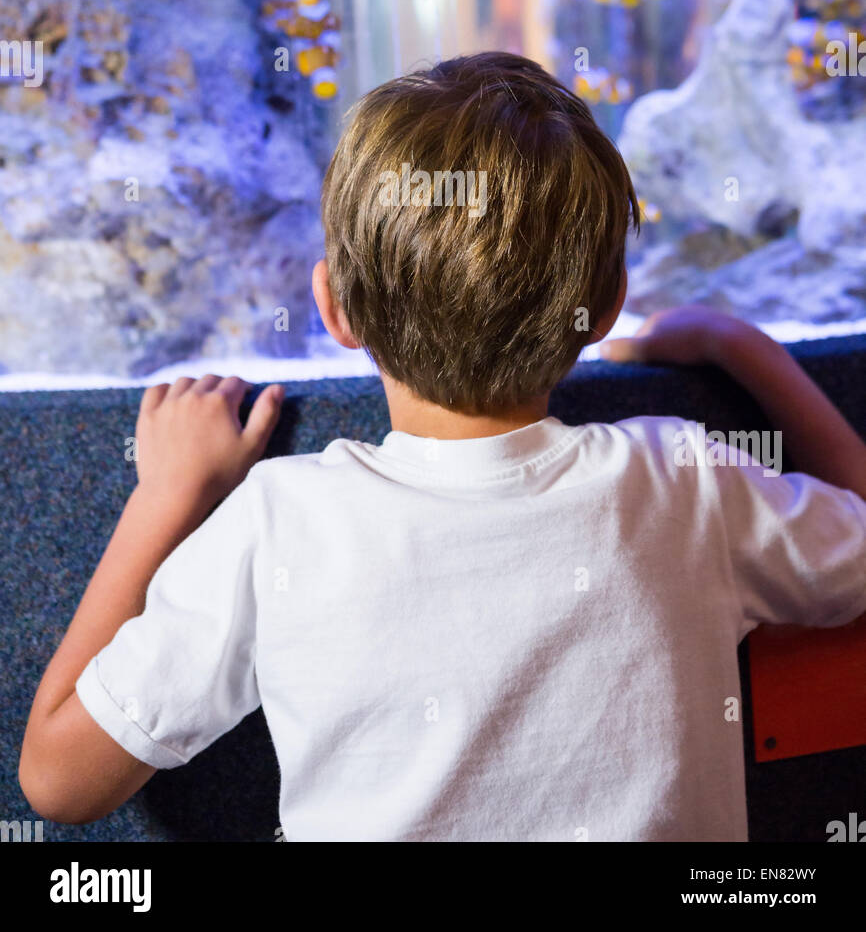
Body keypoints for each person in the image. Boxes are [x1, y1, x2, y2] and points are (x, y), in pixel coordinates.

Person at [18, 53, 866, 840]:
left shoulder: (279, 527)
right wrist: (742, 348)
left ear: (332, 306)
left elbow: (59, 782)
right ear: (606, 306)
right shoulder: (686, 483)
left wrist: (164, 495)